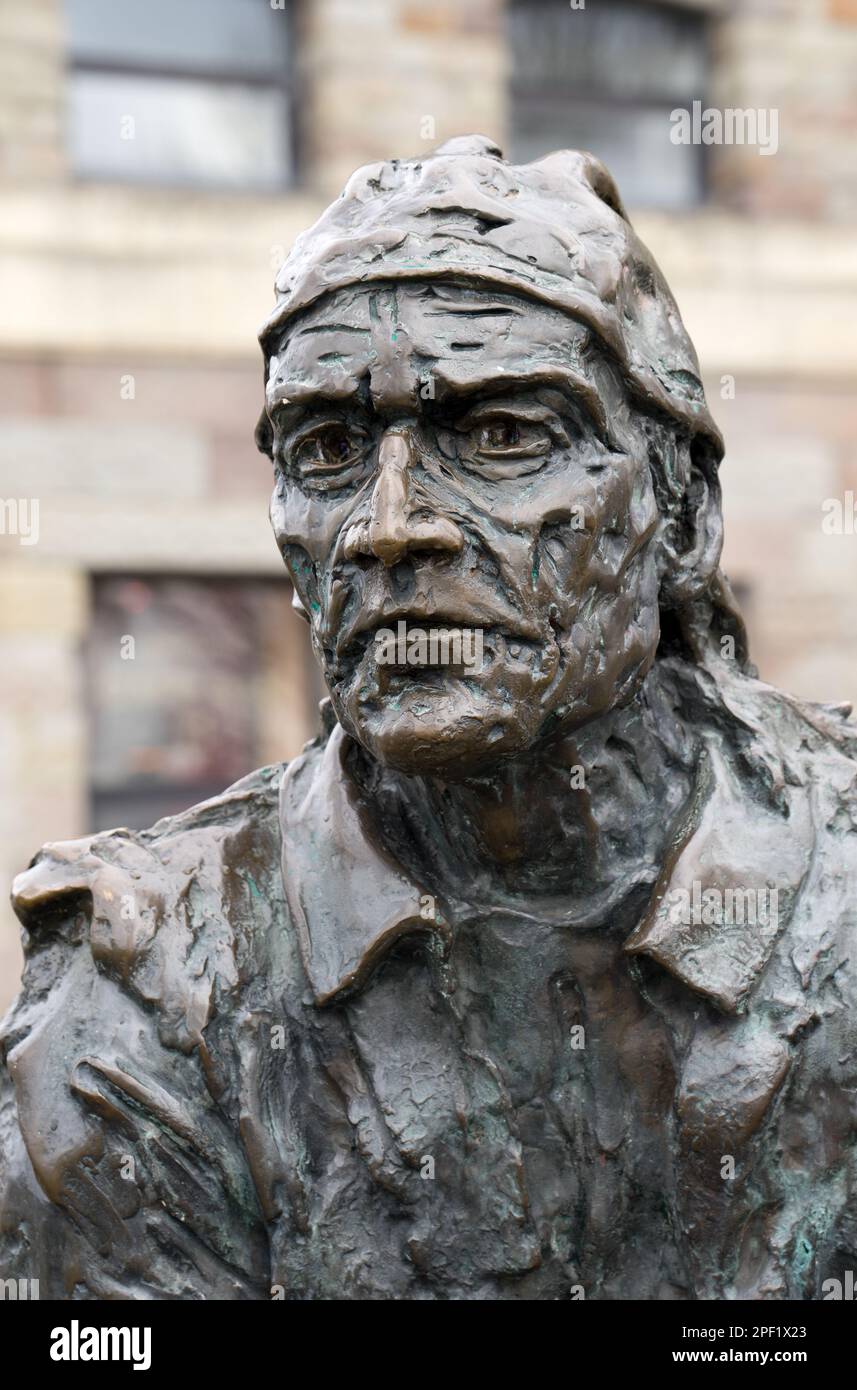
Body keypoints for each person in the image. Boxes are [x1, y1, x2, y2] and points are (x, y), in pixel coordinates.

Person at [2, 137, 856, 1300]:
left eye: (503, 437)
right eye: (327, 450)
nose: (388, 526)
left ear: (681, 514)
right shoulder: (144, 987)